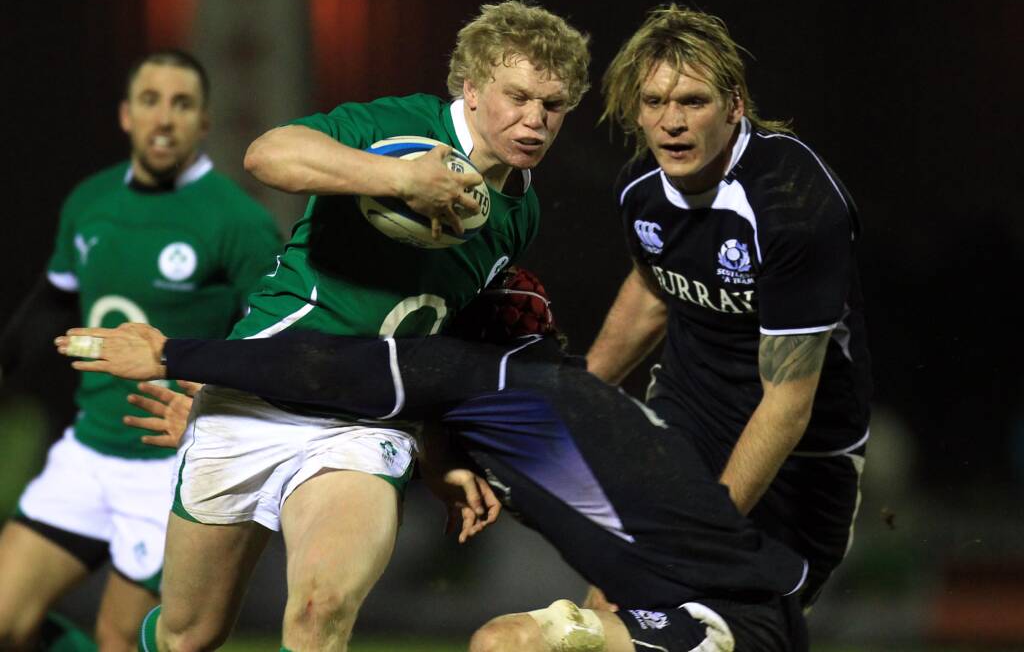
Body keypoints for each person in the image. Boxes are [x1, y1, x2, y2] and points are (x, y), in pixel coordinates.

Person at [119, 0, 590, 652]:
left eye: (553, 105)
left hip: (364, 425)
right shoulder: (399, 125)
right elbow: (267, 154)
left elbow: (438, 340)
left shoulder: (520, 209)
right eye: (517, 96)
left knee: (322, 609)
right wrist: (397, 177)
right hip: (259, 390)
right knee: (186, 635)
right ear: (474, 88)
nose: (534, 120)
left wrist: (437, 449)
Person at [55, 266, 810, 651]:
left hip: (725, 624)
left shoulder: (483, 380)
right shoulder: (536, 398)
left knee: (507, 645)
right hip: (709, 609)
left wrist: (169, 354)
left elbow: (320, 367)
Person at [586, 5, 872, 610]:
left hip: (804, 451)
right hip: (690, 410)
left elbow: (789, 406)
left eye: (693, 101)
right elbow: (650, 292)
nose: (671, 123)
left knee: (743, 627)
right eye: (655, 102)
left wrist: (698, 537)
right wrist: (567, 402)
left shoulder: (795, 207)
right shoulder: (640, 187)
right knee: (615, 600)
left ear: (735, 104)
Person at [0, 50, 281, 651]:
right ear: (126, 115)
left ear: (204, 122)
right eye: (151, 101)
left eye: (182, 104)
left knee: (120, 639)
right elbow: (53, 297)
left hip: (173, 468)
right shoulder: (90, 202)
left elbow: (279, 341)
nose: (165, 118)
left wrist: (218, 406)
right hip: (88, 451)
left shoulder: (237, 222)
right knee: (6, 621)